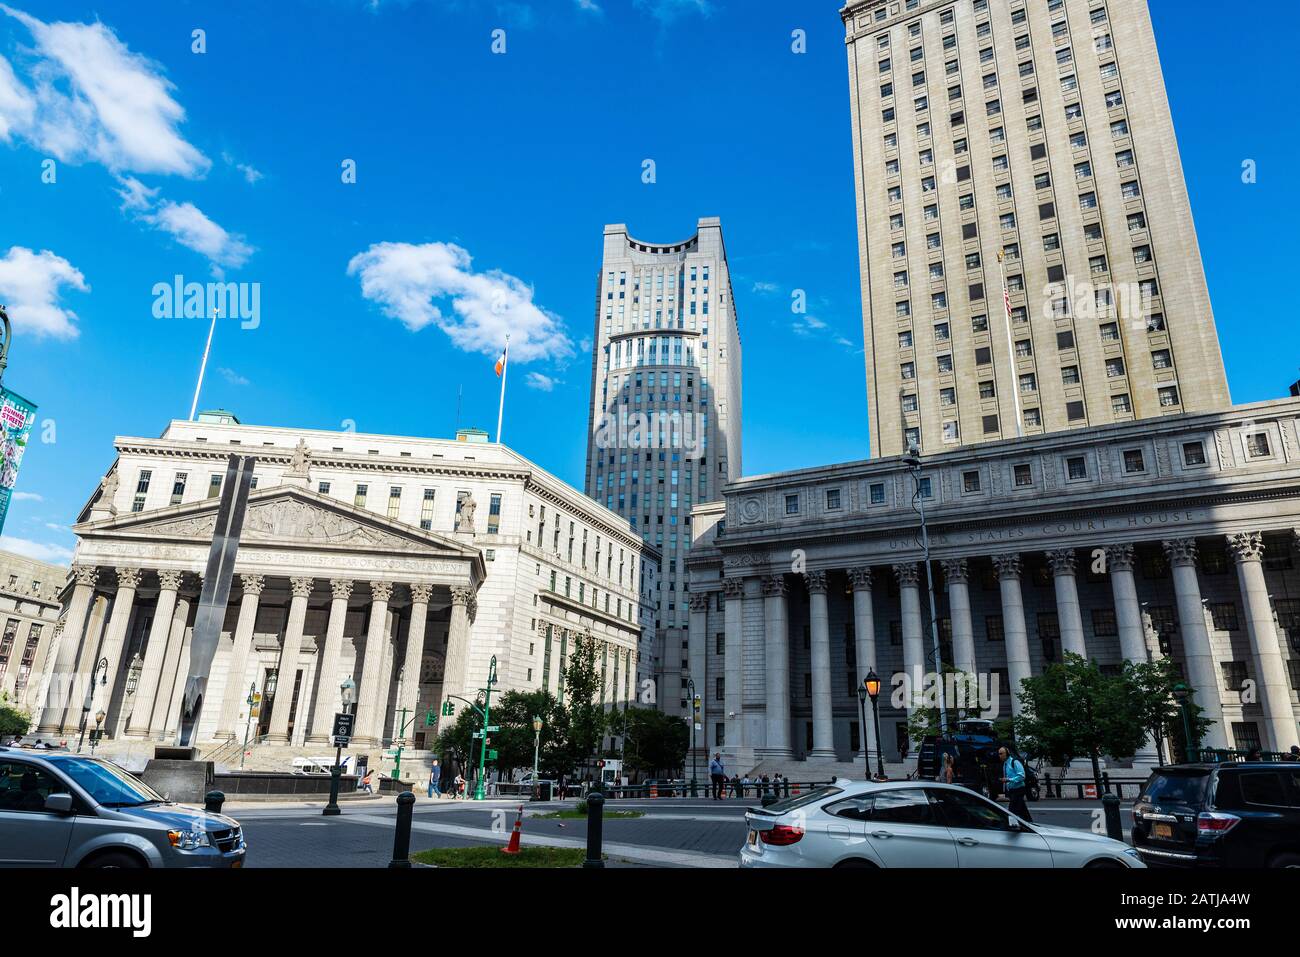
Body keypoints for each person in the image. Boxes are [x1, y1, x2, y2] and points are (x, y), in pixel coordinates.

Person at [998, 747, 1032, 823]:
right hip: (1012, 791)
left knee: (1012, 811)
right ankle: (1029, 823)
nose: (999, 755)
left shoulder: (1014, 762)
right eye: (999, 754)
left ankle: (1012, 825)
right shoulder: (1005, 764)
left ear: (1007, 754)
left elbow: (1022, 776)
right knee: (1023, 811)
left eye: (1001, 753)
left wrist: (1009, 780)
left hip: (1018, 790)